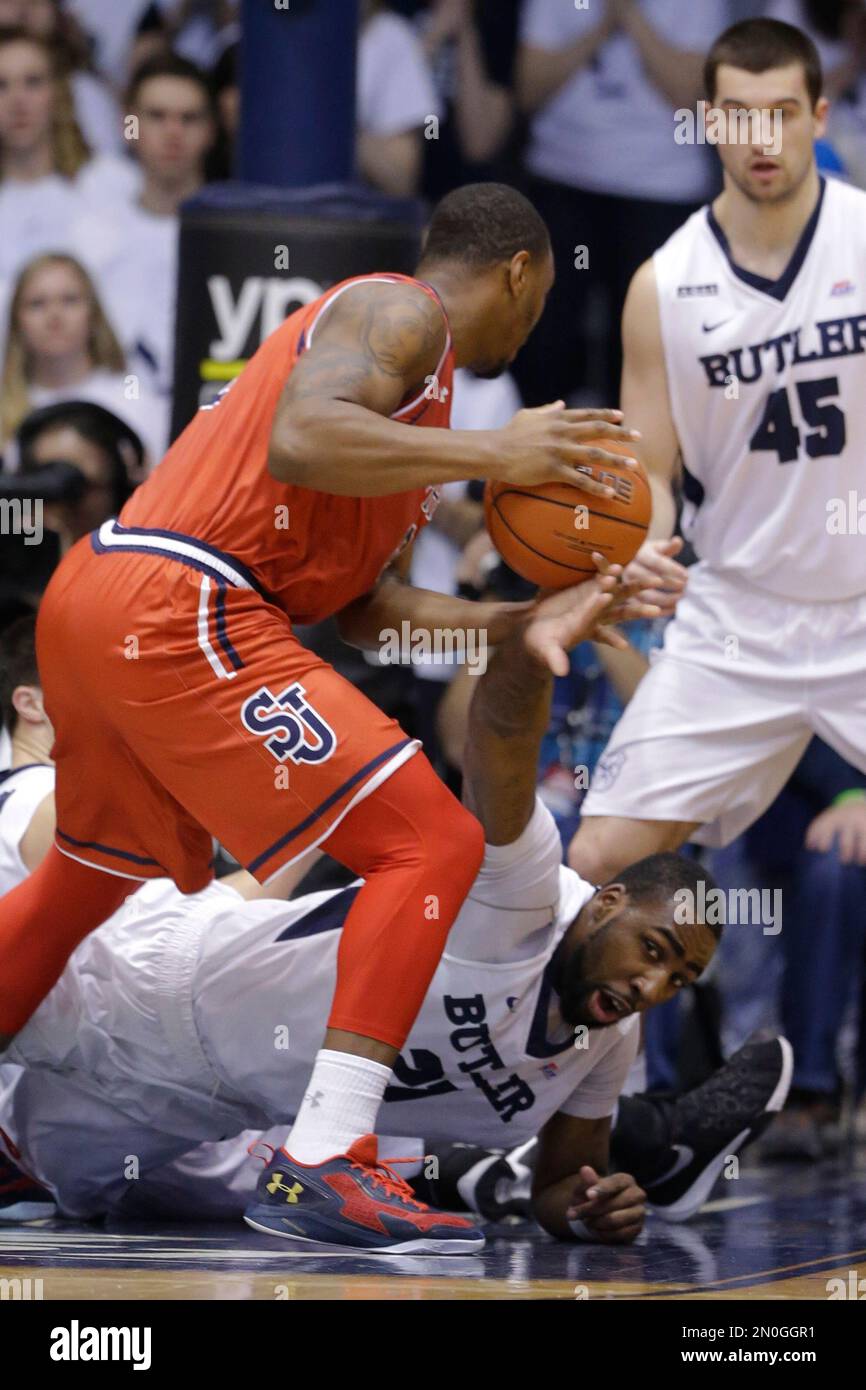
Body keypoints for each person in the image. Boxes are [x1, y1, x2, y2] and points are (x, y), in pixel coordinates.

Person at [0, 182, 662, 1253]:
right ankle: (322, 1158)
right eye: (534, 309)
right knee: (430, 840)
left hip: (112, 599)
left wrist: (522, 618)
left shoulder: (418, 416)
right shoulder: (394, 309)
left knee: (85, 878)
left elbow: (370, 615)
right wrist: (499, 456)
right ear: (519, 275)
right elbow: (305, 435)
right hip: (183, 598)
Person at [0, 594, 788, 1241]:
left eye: (679, 979)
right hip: (143, 978)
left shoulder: (608, 1040)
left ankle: (600, 1161)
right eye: (653, 951)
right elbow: (501, 742)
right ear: (607, 901)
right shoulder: (526, 892)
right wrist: (524, 644)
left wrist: (583, 1213)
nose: (654, 983)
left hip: (179, 1122)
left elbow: (564, 1184)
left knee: (116, 1197)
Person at [567, 20, 866, 892]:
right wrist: (644, 549)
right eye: (739, 115)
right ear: (706, 122)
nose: (761, 138)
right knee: (596, 862)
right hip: (738, 617)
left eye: (781, 113)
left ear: (819, 115)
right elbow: (649, 474)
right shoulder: (664, 285)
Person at [514, 0, 727, 407]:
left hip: (661, 186)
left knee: (646, 340)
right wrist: (601, 22)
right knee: (545, 333)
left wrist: (628, 12)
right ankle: (529, 461)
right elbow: (528, 88)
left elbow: (692, 91)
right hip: (563, 175)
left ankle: (636, 462)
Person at [69, 53, 216, 399]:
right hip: (104, 411)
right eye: (156, 116)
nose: (173, 132)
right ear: (129, 126)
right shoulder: (88, 234)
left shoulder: (233, 239)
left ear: (211, 131)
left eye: (189, 118)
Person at [0, 28, 139, 314]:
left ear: (58, 93)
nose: (18, 100)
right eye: (1, 85)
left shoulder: (115, 183)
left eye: (33, 82)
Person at [0, 253, 168, 461]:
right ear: (17, 322)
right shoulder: (3, 407)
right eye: (37, 303)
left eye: (70, 300)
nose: (54, 316)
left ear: (94, 314)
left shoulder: (134, 401)